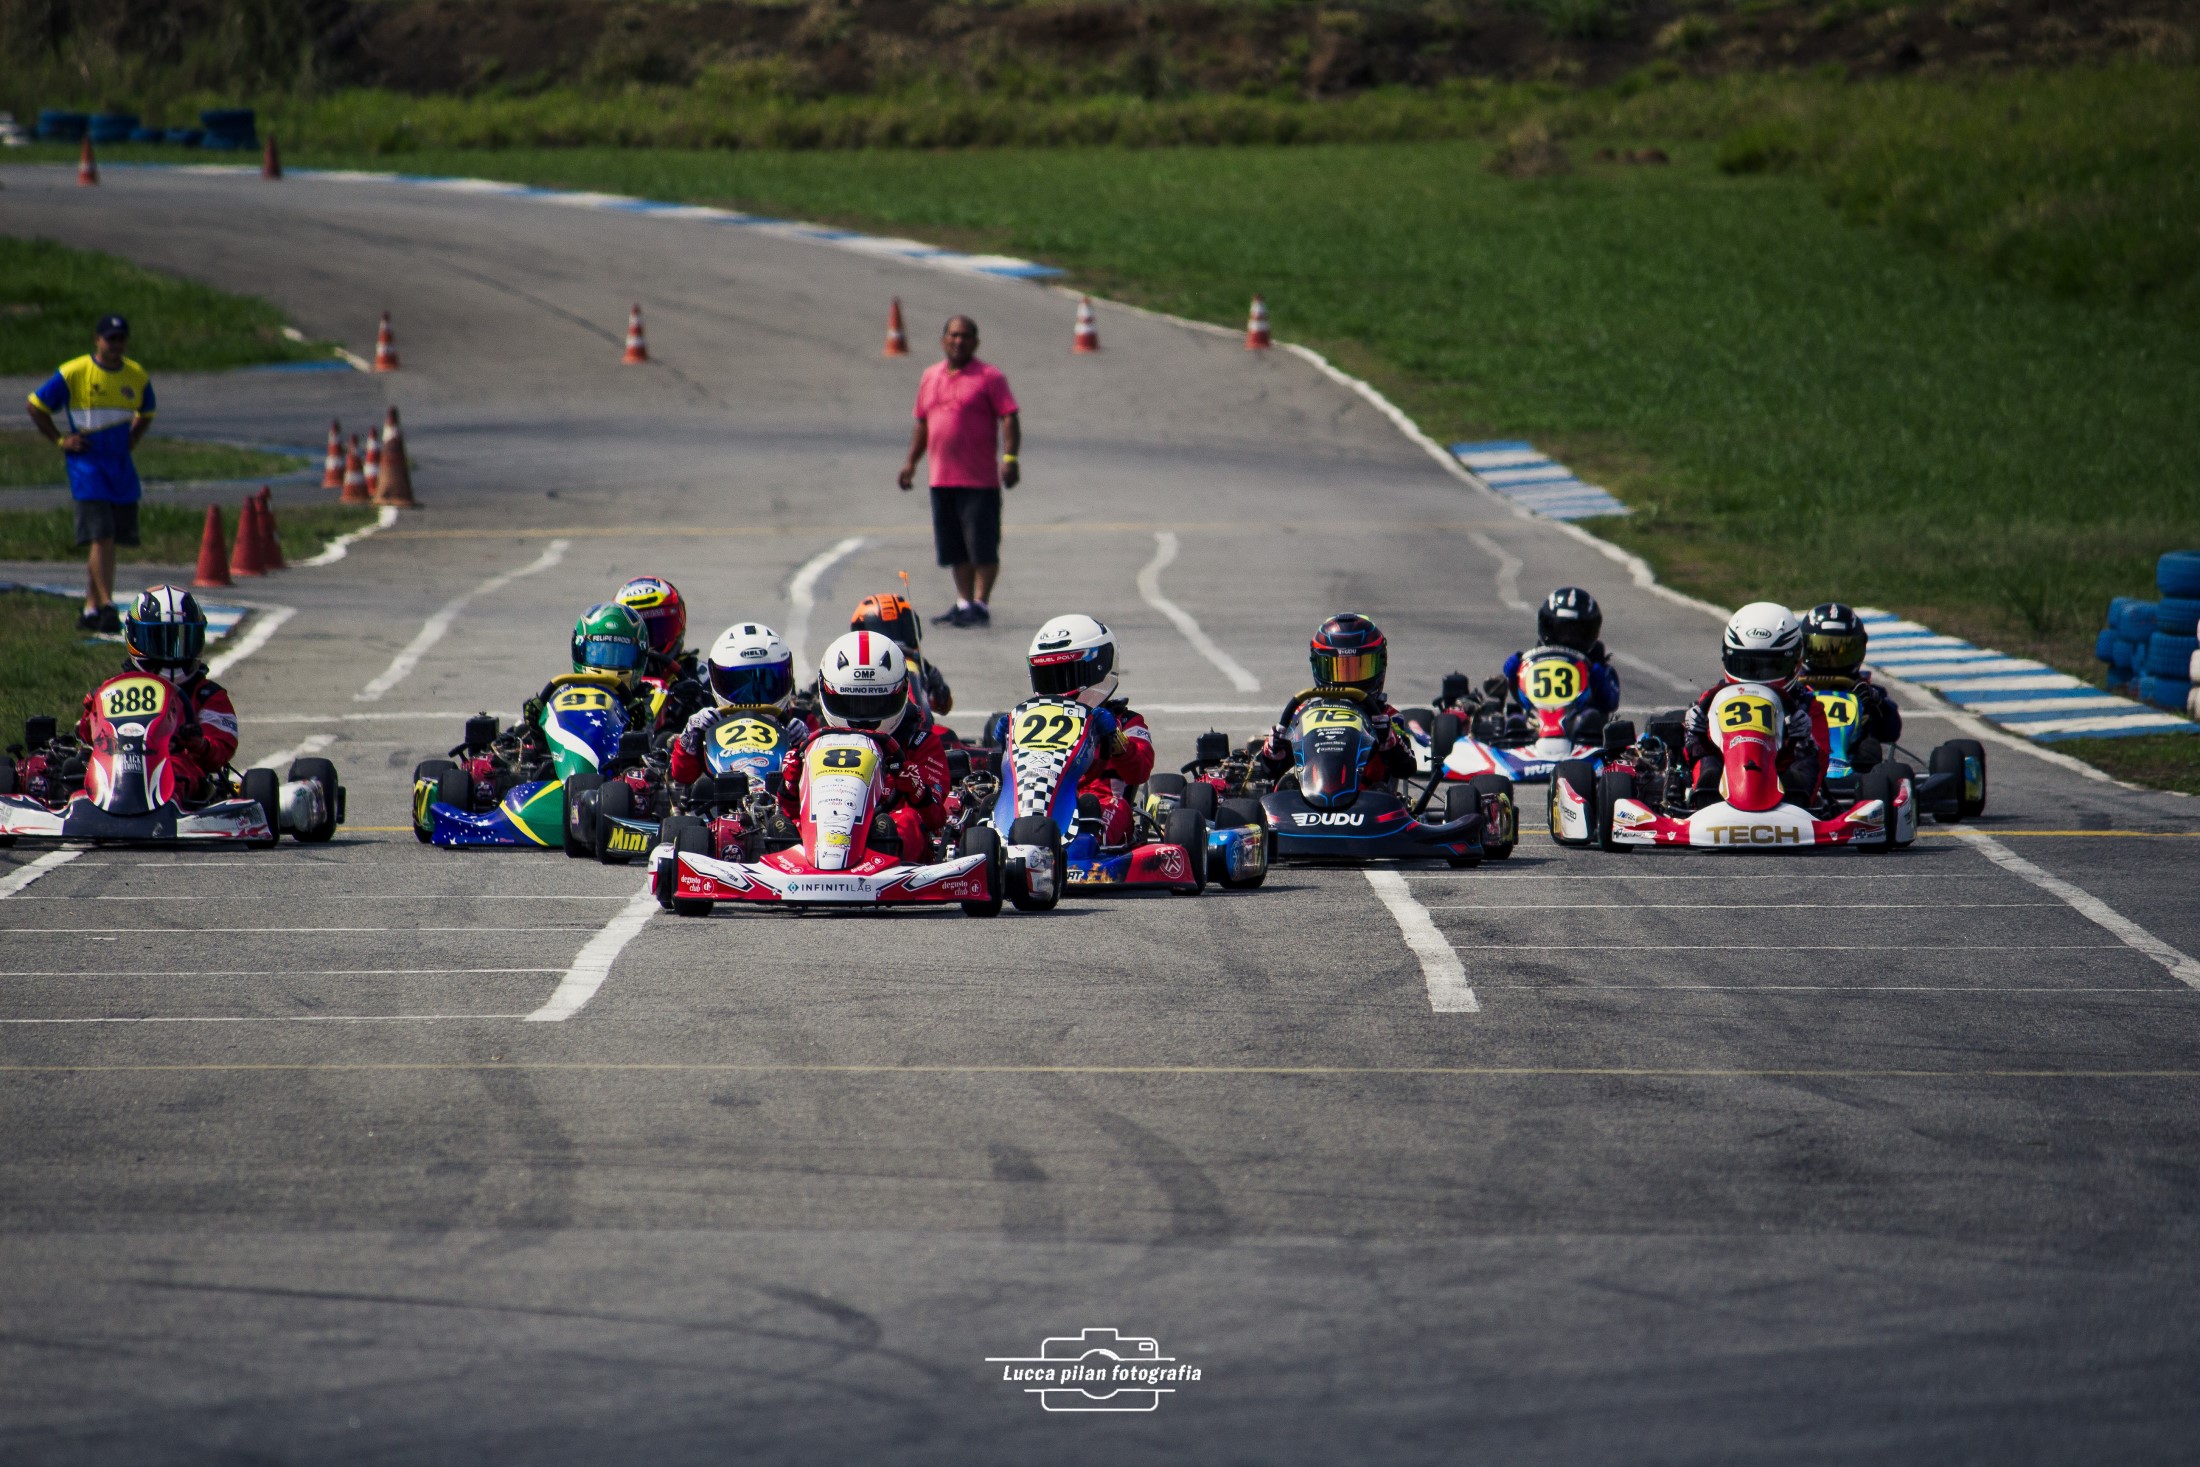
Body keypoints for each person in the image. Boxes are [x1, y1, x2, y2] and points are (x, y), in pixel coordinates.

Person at [27, 314, 155, 632]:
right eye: (110, 338)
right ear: (97, 339)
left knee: (108, 541)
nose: (115, 345)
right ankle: (108, 604)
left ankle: (90, 608)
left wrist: (134, 437)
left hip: (120, 466)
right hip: (87, 466)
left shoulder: (136, 375)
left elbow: (148, 410)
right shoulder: (75, 372)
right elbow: (36, 404)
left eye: (121, 338)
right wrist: (60, 439)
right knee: (102, 535)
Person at [896, 315, 1020, 628]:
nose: (958, 341)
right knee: (955, 547)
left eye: (965, 336)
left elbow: (1009, 416)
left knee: (982, 545)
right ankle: (963, 601)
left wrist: (1010, 458)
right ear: (943, 340)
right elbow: (922, 423)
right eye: (953, 335)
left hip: (979, 481)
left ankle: (981, 604)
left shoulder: (990, 377)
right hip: (941, 478)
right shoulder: (930, 376)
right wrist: (911, 462)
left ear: (975, 342)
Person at [782, 630, 951, 858]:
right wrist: (789, 786)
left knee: (907, 821)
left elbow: (936, 819)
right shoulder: (813, 743)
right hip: (818, 839)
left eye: (876, 703)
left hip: (887, 847)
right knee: (781, 824)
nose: (863, 716)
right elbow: (793, 810)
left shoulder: (919, 743)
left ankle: (879, 854)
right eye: (851, 702)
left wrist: (917, 790)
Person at [77, 585, 235, 801]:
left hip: (173, 764)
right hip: (114, 762)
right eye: (158, 640)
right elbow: (88, 734)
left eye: (179, 640)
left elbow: (220, 751)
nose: (170, 654)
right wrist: (90, 718)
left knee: (178, 773)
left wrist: (199, 744)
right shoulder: (114, 690)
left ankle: (162, 807)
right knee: (72, 770)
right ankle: (91, 802)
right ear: (134, 637)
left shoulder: (206, 695)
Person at [1024, 614, 1154, 847]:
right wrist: (1007, 739)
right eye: (1048, 677)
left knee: (1093, 806)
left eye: (1066, 675)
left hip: (1102, 804)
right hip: (1043, 800)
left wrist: (1115, 738)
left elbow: (1140, 772)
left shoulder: (1125, 722)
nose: (1057, 688)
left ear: (1098, 669)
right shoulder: (1034, 721)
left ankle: (1082, 849)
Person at [1679, 602, 1825, 807]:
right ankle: (1706, 799)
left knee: (1802, 771)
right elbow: (1694, 753)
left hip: (1783, 784)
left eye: (1769, 668)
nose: (1756, 679)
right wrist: (1693, 733)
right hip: (1725, 781)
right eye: (1746, 665)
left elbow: (1822, 759)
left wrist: (1805, 739)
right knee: (1708, 766)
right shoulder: (1712, 699)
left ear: (1796, 662)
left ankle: (1795, 805)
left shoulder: (1807, 706)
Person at [1251, 613, 1418, 789]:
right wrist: (1273, 751)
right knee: (1285, 785)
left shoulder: (1387, 717)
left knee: (1381, 791)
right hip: (1310, 801)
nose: (1348, 681)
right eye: (1338, 669)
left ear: (1380, 664)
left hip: (1370, 803)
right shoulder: (1301, 713)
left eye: (1359, 668)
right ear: (1318, 666)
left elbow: (1406, 768)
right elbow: (1268, 771)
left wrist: (1389, 741)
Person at [668, 623, 807, 786]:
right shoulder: (708, 725)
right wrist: (691, 736)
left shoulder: (798, 721)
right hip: (718, 804)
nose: (754, 695)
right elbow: (682, 776)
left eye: (765, 682)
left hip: (782, 801)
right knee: (700, 788)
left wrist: (805, 745)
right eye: (741, 685)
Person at [520, 603, 658, 749]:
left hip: (615, 764)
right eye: (599, 653)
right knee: (519, 732)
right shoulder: (562, 694)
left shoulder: (642, 703)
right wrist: (534, 726)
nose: (608, 663)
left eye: (621, 654)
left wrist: (637, 726)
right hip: (562, 760)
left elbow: (653, 743)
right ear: (579, 650)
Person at [1798, 601, 1901, 743]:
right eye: (1822, 651)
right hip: (1802, 755)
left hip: (1855, 760)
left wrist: (1877, 703)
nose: (1832, 660)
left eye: (1841, 653)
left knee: (1870, 750)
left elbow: (1891, 734)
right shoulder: (1795, 691)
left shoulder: (1864, 691)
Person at [851, 592, 952, 714]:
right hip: (865, 724)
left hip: (910, 727)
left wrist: (938, 688)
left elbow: (943, 707)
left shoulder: (920, 665)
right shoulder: (853, 665)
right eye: (885, 630)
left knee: (946, 734)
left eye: (901, 629)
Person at [614, 576, 698, 682]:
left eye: (660, 629)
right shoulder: (608, 678)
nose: (648, 647)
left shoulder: (699, 674)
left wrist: (698, 697)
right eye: (637, 635)